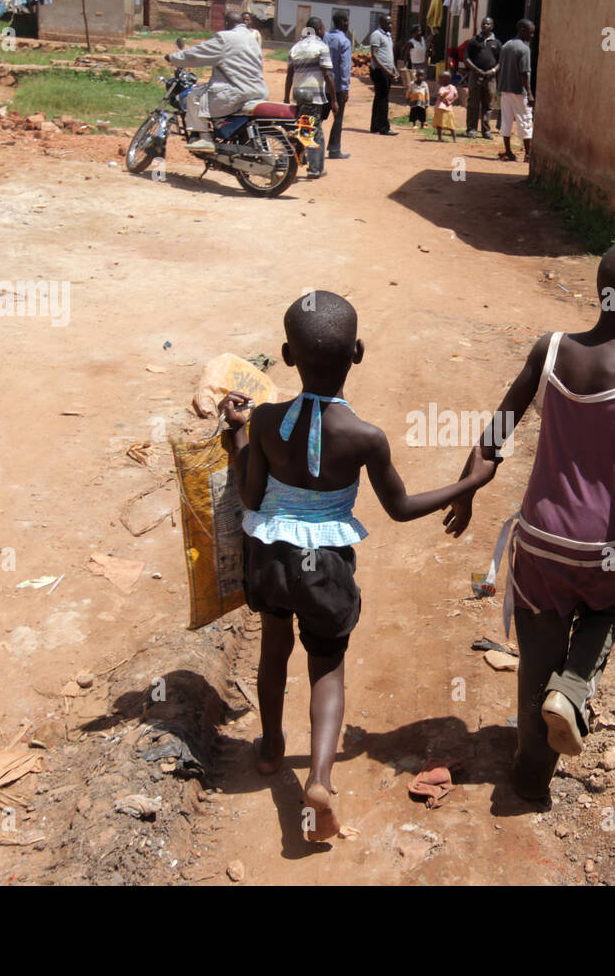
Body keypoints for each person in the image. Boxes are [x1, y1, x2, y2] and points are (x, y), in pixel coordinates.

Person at [220, 291, 490, 842]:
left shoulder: (268, 420)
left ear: (286, 357)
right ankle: (318, 777)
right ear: (358, 353)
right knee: (327, 667)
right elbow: (401, 508)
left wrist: (239, 434)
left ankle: (271, 749)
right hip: (325, 570)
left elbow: (250, 498)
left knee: (274, 649)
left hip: (269, 559)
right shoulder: (365, 437)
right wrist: (470, 483)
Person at [442, 239, 615, 805]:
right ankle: (573, 689)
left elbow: (496, 434)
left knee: (536, 655)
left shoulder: (549, 350)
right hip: (602, 547)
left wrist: (468, 489)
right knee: (605, 613)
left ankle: (531, 777)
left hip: (539, 543)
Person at [165, 10, 268, 153]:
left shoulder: (225, 38)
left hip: (235, 92)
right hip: (258, 91)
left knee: (193, 96)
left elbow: (198, 54)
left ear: (227, 23)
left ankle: (205, 138)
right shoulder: (252, 38)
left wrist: (174, 58)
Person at [285, 20, 337, 178]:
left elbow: (289, 75)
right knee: (316, 132)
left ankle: (292, 163)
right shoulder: (321, 47)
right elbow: (328, 75)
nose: (324, 31)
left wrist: (286, 97)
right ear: (319, 30)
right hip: (314, 97)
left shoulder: (295, 48)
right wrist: (334, 100)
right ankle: (315, 169)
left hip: (299, 96)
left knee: (304, 128)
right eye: (323, 29)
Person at [497, 19, 535, 162]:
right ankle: (528, 154)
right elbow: (524, 73)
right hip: (520, 91)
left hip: (505, 89)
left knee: (506, 121)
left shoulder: (506, 46)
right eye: (531, 33)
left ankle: (508, 151)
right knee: (525, 120)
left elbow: (501, 67)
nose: (532, 36)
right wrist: (529, 93)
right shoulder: (524, 49)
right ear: (522, 30)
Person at [464, 17, 500, 139]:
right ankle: (471, 129)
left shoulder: (497, 43)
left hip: (490, 78)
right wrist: (476, 69)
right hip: (476, 76)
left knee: (488, 105)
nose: (485, 25)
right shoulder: (474, 41)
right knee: (473, 103)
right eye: (483, 23)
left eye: (488, 24)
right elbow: (466, 58)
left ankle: (486, 131)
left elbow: (501, 61)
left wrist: (493, 70)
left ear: (492, 26)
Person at [324, 12, 352, 160]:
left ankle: (308, 149)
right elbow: (344, 67)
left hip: (323, 85)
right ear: (341, 23)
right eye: (346, 22)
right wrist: (346, 87)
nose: (348, 24)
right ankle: (334, 149)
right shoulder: (344, 41)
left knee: (316, 119)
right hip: (338, 87)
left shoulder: (325, 37)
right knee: (338, 118)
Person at [367, 15, 397, 135]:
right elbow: (374, 55)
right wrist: (386, 71)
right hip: (379, 71)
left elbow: (388, 55)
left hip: (387, 71)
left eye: (391, 23)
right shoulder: (377, 35)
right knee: (383, 99)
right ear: (381, 23)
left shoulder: (388, 36)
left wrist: (394, 69)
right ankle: (384, 127)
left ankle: (375, 126)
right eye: (388, 23)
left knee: (379, 98)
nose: (390, 25)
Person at [433, 71, 457, 142]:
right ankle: (454, 139)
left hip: (441, 108)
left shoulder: (442, 88)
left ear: (446, 79)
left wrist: (443, 98)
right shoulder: (453, 87)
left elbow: (440, 97)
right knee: (451, 124)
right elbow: (456, 96)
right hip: (448, 108)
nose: (439, 80)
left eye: (440, 78)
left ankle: (439, 138)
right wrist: (450, 101)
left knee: (439, 124)